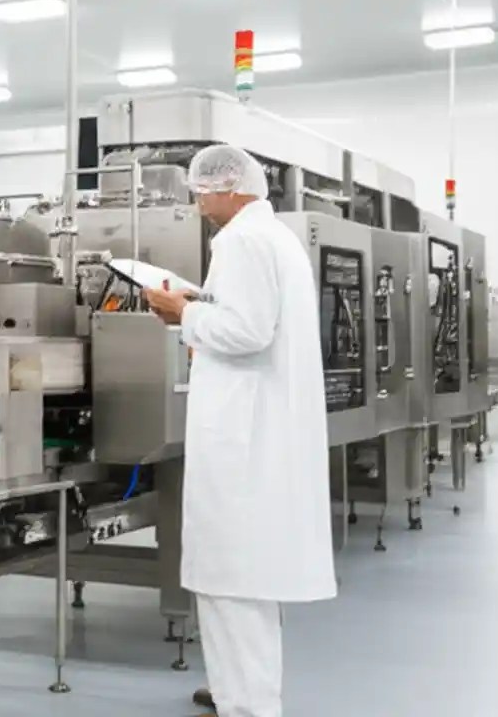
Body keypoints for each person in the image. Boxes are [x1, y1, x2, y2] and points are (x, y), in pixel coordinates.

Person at [143, 144, 336, 717]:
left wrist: (182, 313)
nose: (198, 202)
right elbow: (252, 320)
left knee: (231, 577)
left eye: (203, 191)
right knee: (242, 578)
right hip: (259, 429)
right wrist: (202, 306)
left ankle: (248, 705)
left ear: (230, 188)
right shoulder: (275, 238)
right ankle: (238, 690)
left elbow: (248, 331)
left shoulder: (240, 241)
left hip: (243, 437)